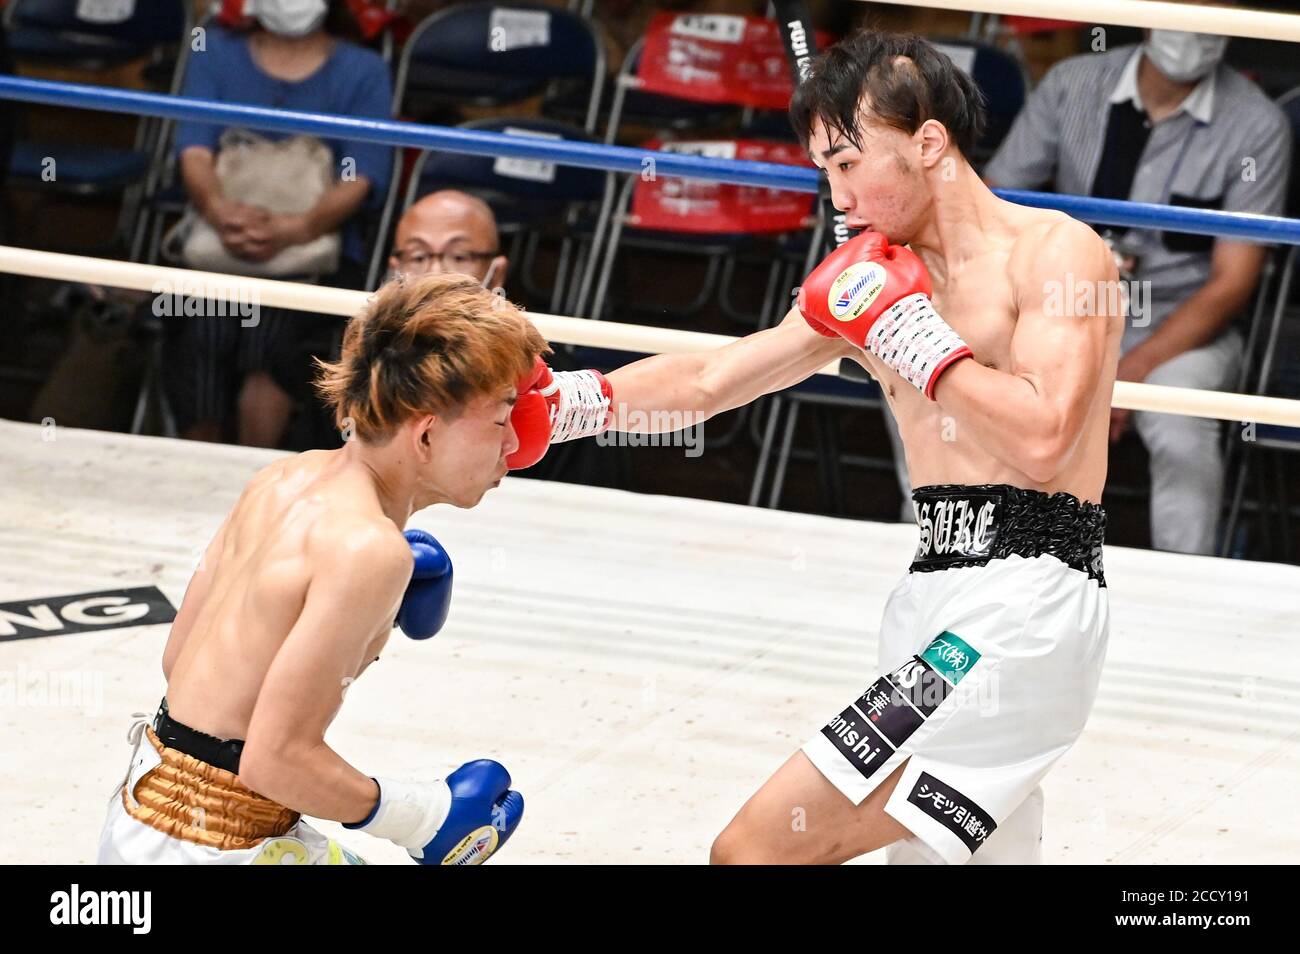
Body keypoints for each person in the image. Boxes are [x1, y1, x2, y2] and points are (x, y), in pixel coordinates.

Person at [510, 29, 1122, 864]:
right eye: (823, 171)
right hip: (933, 594)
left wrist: (917, 341)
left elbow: (1048, 438)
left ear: (928, 142)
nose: (836, 196)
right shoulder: (875, 277)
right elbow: (714, 381)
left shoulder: (1057, 252)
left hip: (1020, 609)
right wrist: (572, 402)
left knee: (756, 849)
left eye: (847, 163)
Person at [98, 274, 538, 864]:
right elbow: (274, 759)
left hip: (146, 816)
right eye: (500, 419)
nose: (513, 444)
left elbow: (180, 663)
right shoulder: (370, 551)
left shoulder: (285, 478)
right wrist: (424, 816)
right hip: (215, 849)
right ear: (427, 431)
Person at [984, 6, 1292, 555]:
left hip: (1180, 329)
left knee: (1179, 424)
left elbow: (1231, 285)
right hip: (1062, 307)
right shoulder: (1071, 83)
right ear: (1147, 14)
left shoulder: (1258, 126)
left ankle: (1186, 589)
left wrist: (1124, 377)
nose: (1196, 29)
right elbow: (994, 206)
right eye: (1183, 9)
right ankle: (953, 557)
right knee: (957, 369)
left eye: (1216, 14)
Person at [165, 0, 394, 448]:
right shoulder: (213, 47)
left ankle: (256, 466)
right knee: (201, 327)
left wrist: (297, 229)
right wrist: (218, 211)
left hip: (315, 254)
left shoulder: (362, 69)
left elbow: (361, 173)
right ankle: (192, 461)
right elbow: (193, 147)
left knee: (272, 338)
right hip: (217, 242)